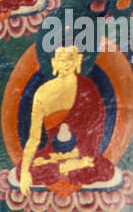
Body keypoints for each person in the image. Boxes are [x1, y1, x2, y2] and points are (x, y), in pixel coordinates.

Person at [18, 46, 115, 193]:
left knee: (106, 169)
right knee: (23, 170)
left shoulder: (87, 88)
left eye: (70, 58)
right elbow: (34, 137)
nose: (66, 63)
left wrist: (81, 154)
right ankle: (66, 168)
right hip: (53, 154)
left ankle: (66, 167)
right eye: (61, 60)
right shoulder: (42, 93)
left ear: (78, 60)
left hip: (81, 154)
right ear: (54, 63)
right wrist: (25, 172)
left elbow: (95, 130)